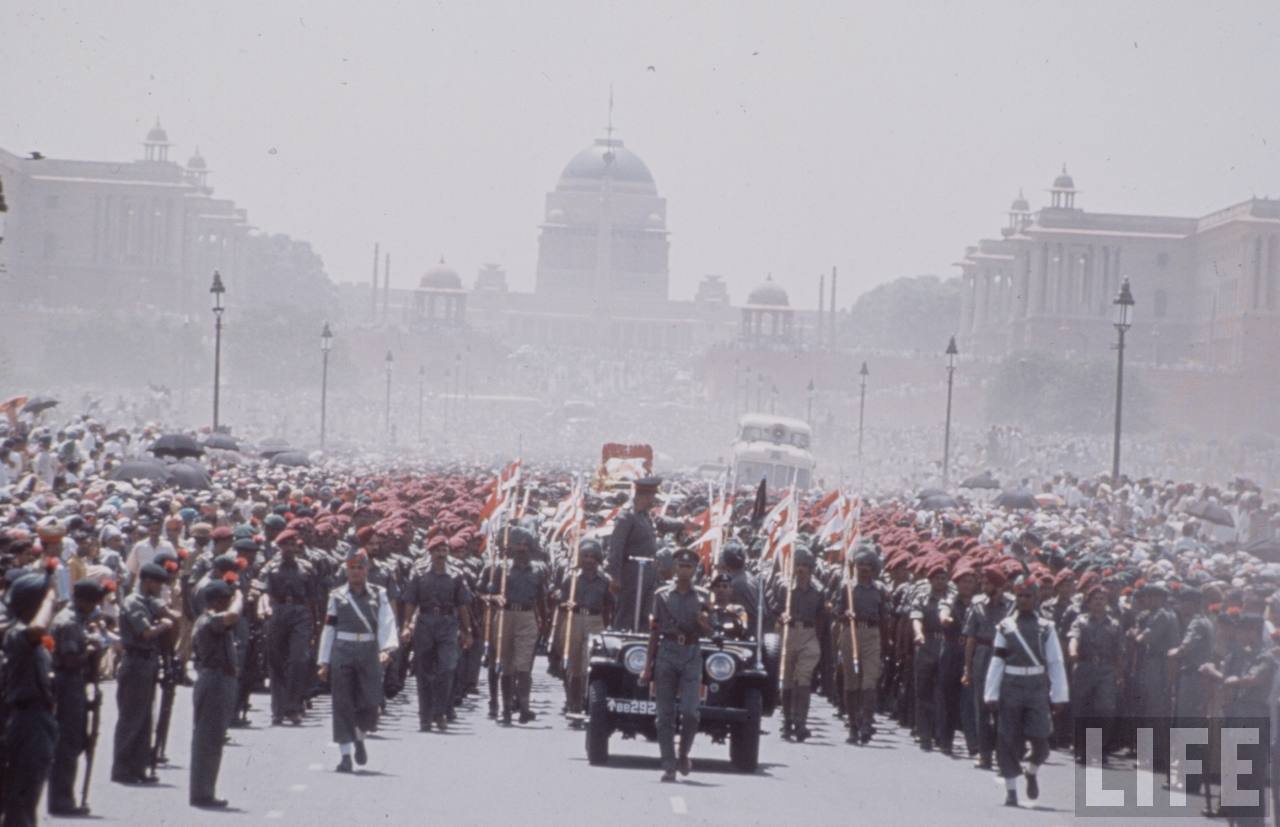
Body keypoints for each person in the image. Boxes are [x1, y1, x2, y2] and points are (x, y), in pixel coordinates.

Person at [984, 575, 1069, 808]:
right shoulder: (1005, 626)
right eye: (1020, 595)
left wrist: (1059, 695)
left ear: (1036, 598)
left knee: (1041, 741)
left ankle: (1031, 771)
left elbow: (1055, 662)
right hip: (1011, 684)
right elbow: (997, 660)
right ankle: (1011, 791)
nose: (1023, 600)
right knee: (1007, 738)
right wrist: (991, 693)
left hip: (1036, 686)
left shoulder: (1046, 628)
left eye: (1028, 596)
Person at [316, 549, 398, 773]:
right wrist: (324, 661)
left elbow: (387, 621)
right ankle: (345, 756)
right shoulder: (337, 596)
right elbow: (329, 628)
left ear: (367, 570)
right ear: (346, 570)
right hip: (343, 650)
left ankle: (360, 736)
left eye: (360, 567)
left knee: (370, 702)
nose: (356, 572)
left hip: (369, 650)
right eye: (351, 568)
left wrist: (387, 649)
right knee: (342, 703)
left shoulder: (378, 594)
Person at [639, 547, 710, 783]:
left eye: (689, 566)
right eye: (680, 565)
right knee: (664, 715)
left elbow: (711, 631)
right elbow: (654, 632)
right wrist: (647, 666)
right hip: (667, 653)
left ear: (695, 570)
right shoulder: (661, 595)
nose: (684, 570)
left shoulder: (702, 596)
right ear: (674, 566)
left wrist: (704, 623)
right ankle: (668, 764)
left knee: (690, 712)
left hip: (691, 652)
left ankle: (683, 754)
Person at [46, 578, 107, 817]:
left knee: (74, 740)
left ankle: (64, 796)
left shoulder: (77, 619)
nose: (95, 607)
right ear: (83, 600)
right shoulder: (69, 622)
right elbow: (71, 659)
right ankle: (61, 800)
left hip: (71, 681)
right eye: (93, 602)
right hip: (67, 681)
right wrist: (90, 650)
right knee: (68, 742)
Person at [401, 537, 473, 732]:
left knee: (447, 668)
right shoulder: (419, 573)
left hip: (448, 624)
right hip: (425, 623)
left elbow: (462, 605)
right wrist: (407, 625)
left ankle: (440, 711)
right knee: (423, 672)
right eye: (437, 550)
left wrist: (467, 631)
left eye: (444, 550)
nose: (441, 554)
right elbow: (410, 602)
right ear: (430, 552)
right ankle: (425, 716)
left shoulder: (456, 575)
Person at [2, 573, 57, 827]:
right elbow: (38, 629)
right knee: (22, 799)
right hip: (27, 720)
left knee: (28, 795)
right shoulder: (18, 633)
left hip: (37, 719)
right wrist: (49, 596)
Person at [111, 562, 173, 785]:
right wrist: (164, 626)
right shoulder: (134, 602)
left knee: (145, 717)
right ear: (148, 581)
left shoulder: (148, 601)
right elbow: (145, 632)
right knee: (132, 717)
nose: (160, 588)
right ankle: (122, 768)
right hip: (136, 660)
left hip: (146, 662)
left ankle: (138, 767)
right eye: (158, 583)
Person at [606, 478, 687, 633]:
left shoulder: (645, 515)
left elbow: (662, 522)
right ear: (644, 496)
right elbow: (616, 548)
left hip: (648, 571)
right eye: (652, 497)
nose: (654, 501)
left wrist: (682, 523)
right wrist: (615, 577)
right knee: (627, 612)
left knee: (646, 612)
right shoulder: (627, 516)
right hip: (631, 572)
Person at [189, 580, 242, 809]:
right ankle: (202, 794)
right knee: (208, 741)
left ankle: (205, 791)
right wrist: (239, 595)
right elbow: (233, 616)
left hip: (220, 680)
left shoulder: (211, 619)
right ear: (217, 601)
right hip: (214, 680)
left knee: (213, 740)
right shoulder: (210, 619)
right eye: (226, 599)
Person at [488, 528, 546, 725]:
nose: (522, 548)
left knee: (523, 667)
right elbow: (484, 594)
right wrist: (494, 597)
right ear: (512, 547)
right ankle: (505, 709)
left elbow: (542, 599)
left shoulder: (538, 570)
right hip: (505, 615)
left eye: (525, 545)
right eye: (518, 545)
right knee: (506, 667)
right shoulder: (500, 569)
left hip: (527, 616)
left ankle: (524, 707)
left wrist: (545, 624)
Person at [262, 529, 319, 726]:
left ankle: (294, 706)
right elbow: (264, 593)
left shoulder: (306, 568)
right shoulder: (270, 568)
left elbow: (313, 598)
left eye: (293, 545)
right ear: (279, 547)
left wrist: (315, 623)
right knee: (276, 662)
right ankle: (278, 709)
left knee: (299, 659)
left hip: (300, 613)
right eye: (285, 545)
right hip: (278, 612)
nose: (289, 548)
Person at [769, 546, 826, 742]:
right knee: (787, 679)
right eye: (798, 565)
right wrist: (781, 615)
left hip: (808, 635)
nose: (801, 569)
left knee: (803, 678)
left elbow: (822, 616)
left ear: (811, 568)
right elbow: (773, 606)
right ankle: (787, 720)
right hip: (788, 632)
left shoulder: (818, 590)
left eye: (804, 566)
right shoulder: (784, 586)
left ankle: (801, 722)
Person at [835, 547, 889, 745]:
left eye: (868, 565)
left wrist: (885, 642)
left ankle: (867, 721)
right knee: (851, 682)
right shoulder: (847, 588)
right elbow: (836, 611)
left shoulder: (880, 590)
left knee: (869, 681)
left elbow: (885, 617)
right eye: (860, 565)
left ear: (874, 568)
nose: (864, 569)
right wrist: (844, 615)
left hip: (872, 635)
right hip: (851, 633)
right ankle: (853, 725)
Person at [963, 566, 1013, 769]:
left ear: (998, 585)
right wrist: (967, 668)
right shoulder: (977, 605)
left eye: (987, 583)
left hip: (1003, 656)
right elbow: (970, 640)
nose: (983, 587)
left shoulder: (1011, 606)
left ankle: (1003, 753)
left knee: (1002, 708)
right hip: (983, 656)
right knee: (981, 707)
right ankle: (984, 754)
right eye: (982, 583)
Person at [558, 538, 612, 721]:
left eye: (592, 556)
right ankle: (572, 702)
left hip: (595, 620)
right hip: (574, 619)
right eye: (585, 556)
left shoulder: (605, 581)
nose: (589, 560)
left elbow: (609, 606)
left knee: (588, 664)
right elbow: (559, 602)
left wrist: (606, 628)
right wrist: (566, 604)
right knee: (572, 664)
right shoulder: (571, 579)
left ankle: (585, 702)